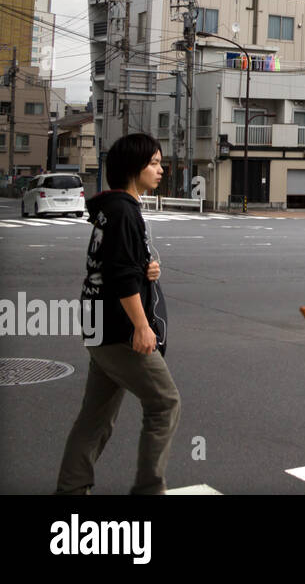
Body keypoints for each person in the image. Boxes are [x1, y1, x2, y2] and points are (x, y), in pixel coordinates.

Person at [56, 133, 179, 495]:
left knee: (95, 418)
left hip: (99, 327)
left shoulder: (109, 210)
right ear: (133, 168)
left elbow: (113, 264)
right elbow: (120, 276)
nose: (160, 169)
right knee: (165, 402)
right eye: (154, 162)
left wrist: (147, 268)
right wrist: (142, 327)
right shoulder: (125, 211)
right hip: (120, 331)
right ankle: (149, 489)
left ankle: (71, 489)